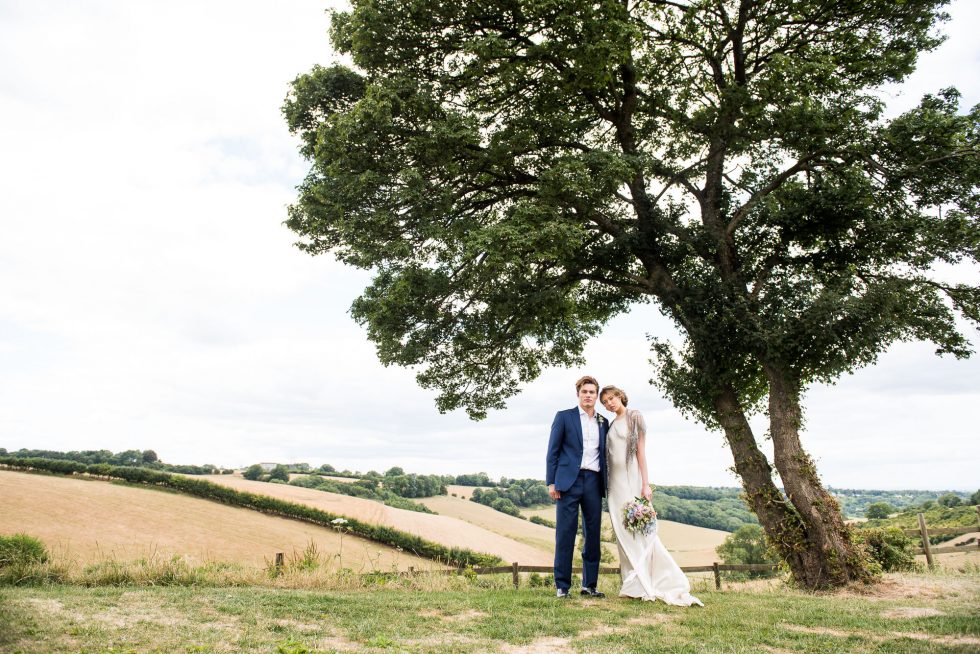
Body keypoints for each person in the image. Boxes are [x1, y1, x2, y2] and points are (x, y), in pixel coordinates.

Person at [599, 385, 703, 606]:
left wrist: (645, 484)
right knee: (622, 532)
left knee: (638, 531)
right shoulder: (609, 424)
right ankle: (632, 583)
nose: (609, 403)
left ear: (620, 396)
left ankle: (653, 580)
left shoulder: (634, 416)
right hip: (614, 485)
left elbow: (641, 453)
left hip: (631, 479)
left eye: (611, 398)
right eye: (605, 402)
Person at [546, 375, 608, 599]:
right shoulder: (564, 417)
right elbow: (552, 451)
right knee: (565, 534)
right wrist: (551, 482)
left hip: (593, 481)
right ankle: (562, 586)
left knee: (593, 535)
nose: (588, 395)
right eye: (585, 392)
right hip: (567, 483)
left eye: (592, 392)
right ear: (578, 394)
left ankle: (589, 585)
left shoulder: (603, 421)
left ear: (596, 395)